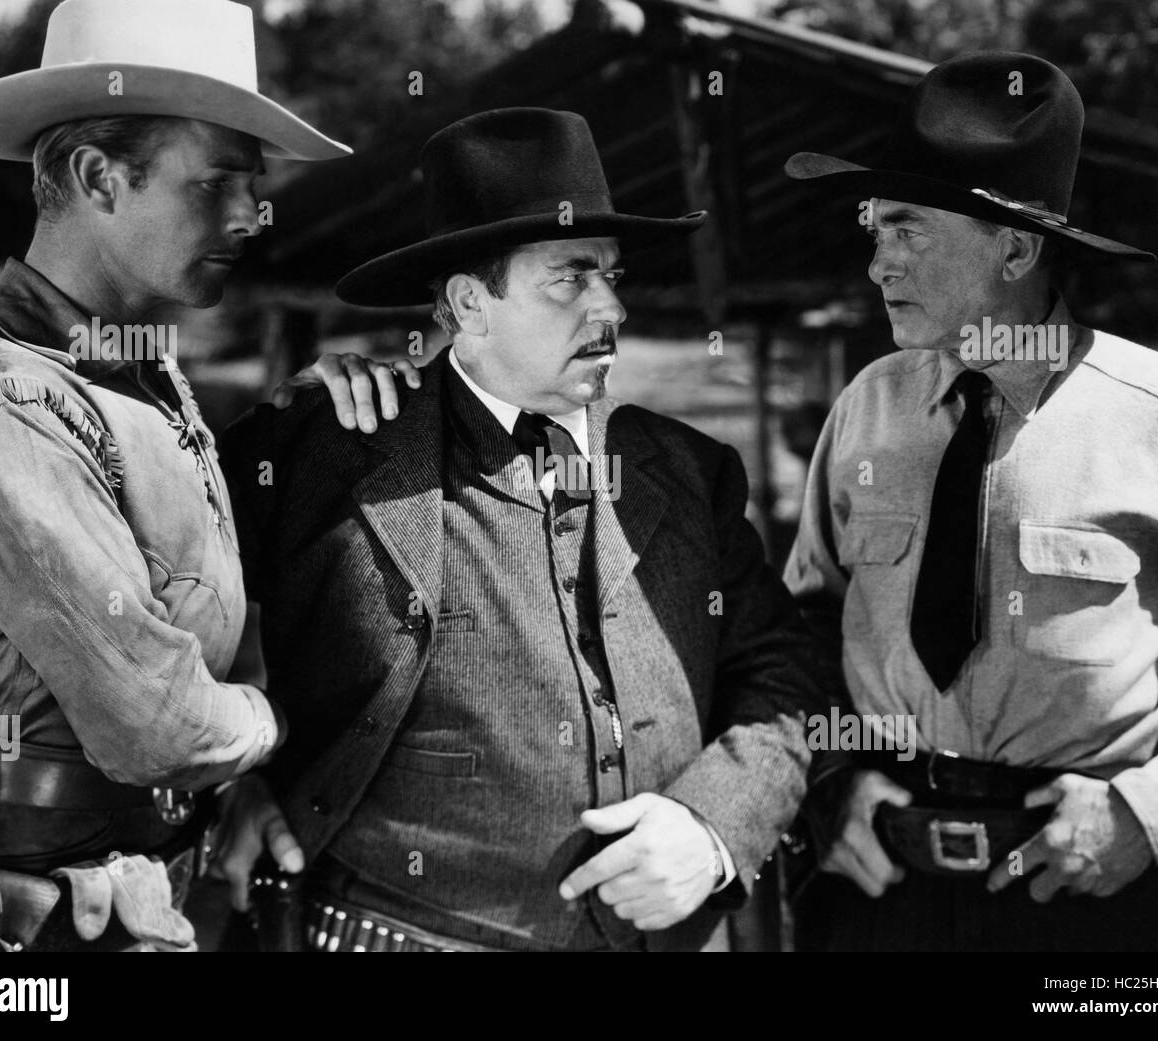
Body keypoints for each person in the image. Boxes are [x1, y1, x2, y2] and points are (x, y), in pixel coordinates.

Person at [215, 107, 824, 952]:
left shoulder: (689, 472)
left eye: (613, 273)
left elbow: (784, 676)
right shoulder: (327, 448)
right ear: (470, 303)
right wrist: (225, 781)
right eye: (570, 277)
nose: (611, 304)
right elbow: (145, 612)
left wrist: (713, 824)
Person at [0, 0, 403, 951]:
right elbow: (157, 727)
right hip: (31, 921)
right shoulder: (2, 400)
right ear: (100, 176)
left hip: (145, 891)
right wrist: (284, 725)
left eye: (250, 186)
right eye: (215, 183)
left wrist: (310, 419)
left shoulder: (138, 374)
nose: (247, 216)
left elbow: (189, 578)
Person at [783, 50, 1158, 951]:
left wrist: (1157, 809)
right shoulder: (867, 406)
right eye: (875, 231)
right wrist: (830, 784)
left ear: (1016, 247)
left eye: (907, 232)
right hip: (877, 892)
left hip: (1087, 901)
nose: (877, 266)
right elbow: (795, 631)